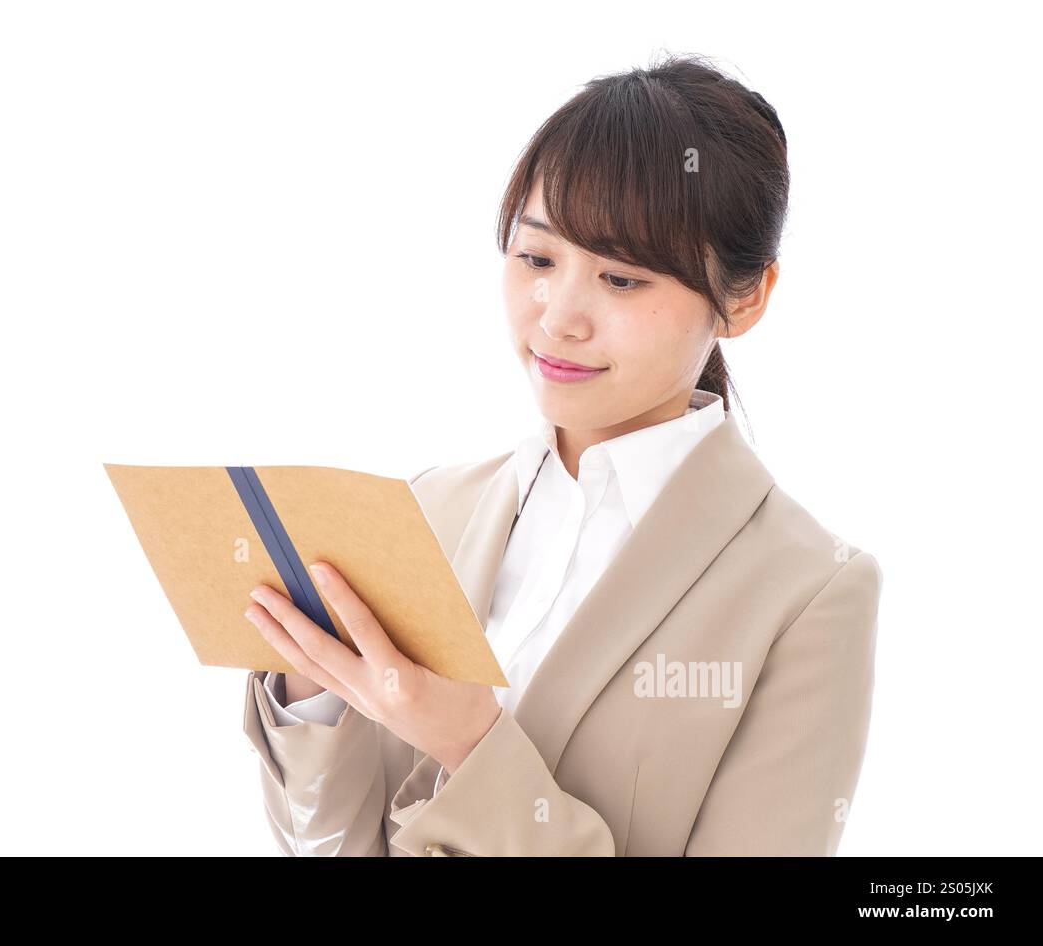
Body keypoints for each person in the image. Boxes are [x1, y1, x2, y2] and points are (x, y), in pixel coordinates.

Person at [240, 53, 882, 856]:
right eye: (537, 259)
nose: (558, 318)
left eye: (621, 279)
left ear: (744, 297)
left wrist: (473, 747)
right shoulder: (433, 506)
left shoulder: (809, 591)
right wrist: (316, 690)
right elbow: (328, 844)